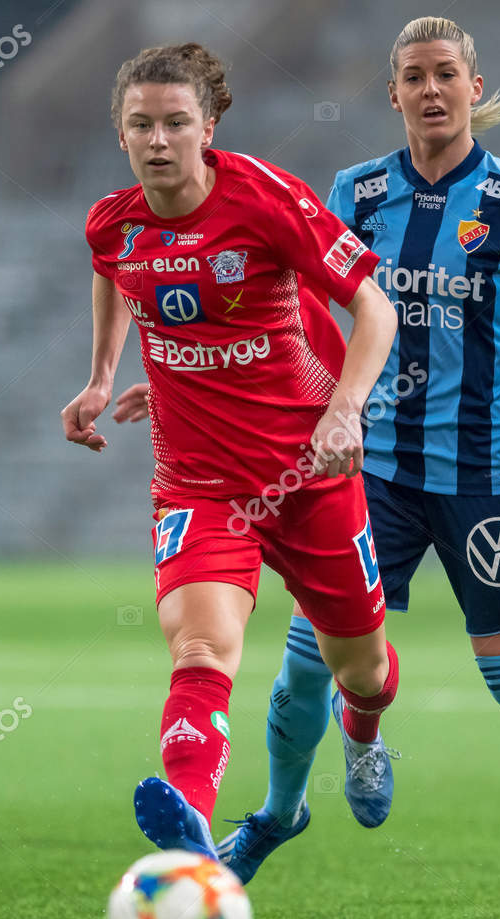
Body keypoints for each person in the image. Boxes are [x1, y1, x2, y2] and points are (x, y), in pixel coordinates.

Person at [119, 18, 500, 919]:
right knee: (308, 669)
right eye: (412, 78)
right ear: (392, 94)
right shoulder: (357, 192)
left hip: (479, 476)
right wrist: (198, 375)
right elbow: (296, 302)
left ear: (475, 86)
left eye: (446, 75)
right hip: (366, 465)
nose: (431, 91)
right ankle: (276, 814)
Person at [61, 43, 403, 860]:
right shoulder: (113, 222)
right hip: (199, 483)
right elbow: (114, 272)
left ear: (207, 126)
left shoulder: (265, 199)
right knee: (201, 647)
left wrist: (345, 412)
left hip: (309, 472)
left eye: (176, 123)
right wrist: (105, 374)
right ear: (120, 133)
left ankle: (362, 735)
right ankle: (191, 831)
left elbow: (375, 309)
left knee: (362, 667)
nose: (157, 140)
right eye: (140, 125)